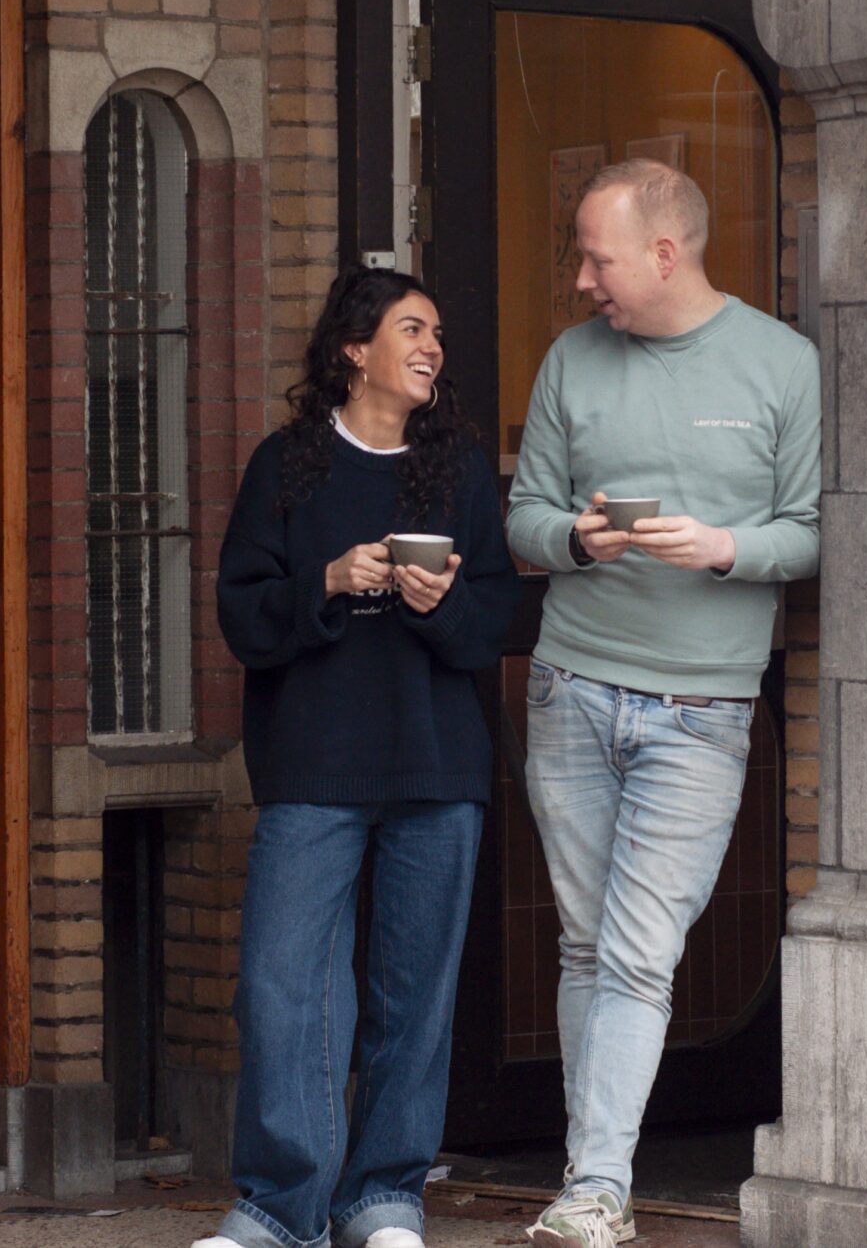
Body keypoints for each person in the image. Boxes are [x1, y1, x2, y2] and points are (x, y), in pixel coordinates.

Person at [504, 159, 820, 1248]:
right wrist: (571, 538)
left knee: (638, 951)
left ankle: (594, 1188)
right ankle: (590, 1181)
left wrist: (725, 547)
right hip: (573, 683)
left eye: (596, 255)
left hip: (701, 707)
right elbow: (525, 513)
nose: (583, 276)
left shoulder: (781, 364)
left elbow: (815, 526)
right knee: (588, 946)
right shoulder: (570, 360)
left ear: (663, 252)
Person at [202, 268, 517, 1248]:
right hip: (313, 764)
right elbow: (241, 618)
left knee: (412, 992)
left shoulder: (460, 469)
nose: (431, 346)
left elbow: (495, 620)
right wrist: (326, 582)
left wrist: (440, 607)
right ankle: (276, 1206)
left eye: (435, 331)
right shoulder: (284, 465)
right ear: (353, 347)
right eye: (411, 327)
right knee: (282, 984)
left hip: (437, 766)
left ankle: (384, 1197)